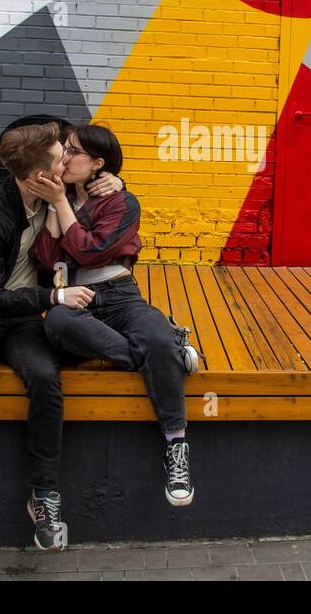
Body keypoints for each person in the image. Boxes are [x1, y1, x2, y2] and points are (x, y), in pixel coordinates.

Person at [0, 115, 123, 578]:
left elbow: (95, 188)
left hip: (21, 322)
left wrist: (111, 179)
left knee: (45, 378)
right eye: (63, 158)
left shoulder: (53, 198)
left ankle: (44, 495)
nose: (70, 161)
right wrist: (52, 297)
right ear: (40, 174)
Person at [27, 123, 203, 508]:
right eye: (65, 149)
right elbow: (44, 259)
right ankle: (169, 354)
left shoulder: (122, 202)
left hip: (120, 295)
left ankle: (176, 444)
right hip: (75, 298)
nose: (65, 156)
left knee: (152, 334)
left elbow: (93, 252)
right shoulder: (53, 198)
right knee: (57, 322)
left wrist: (65, 206)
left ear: (97, 164)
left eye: (74, 151)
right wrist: (58, 204)